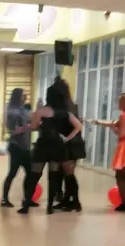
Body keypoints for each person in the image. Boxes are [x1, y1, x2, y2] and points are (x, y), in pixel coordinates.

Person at [18, 82, 83, 215]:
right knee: (53, 176)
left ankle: (26, 205)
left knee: (34, 175)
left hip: (42, 146)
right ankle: (49, 207)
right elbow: (78, 126)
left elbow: (34, 126)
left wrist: (40, 124)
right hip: (57, 146)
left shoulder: (42, 111)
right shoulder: (65, 113)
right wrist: (67, 138)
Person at [51, 77, 86, 211]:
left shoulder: (65, 107)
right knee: (67, 174)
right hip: (73, 143)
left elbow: (76, 126)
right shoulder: (71, 105)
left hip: (71, 144)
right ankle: (67, 200)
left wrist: (66, 138)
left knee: (69, 174)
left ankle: (75, 202)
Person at [0, 88, 36, 208]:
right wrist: (27, 127)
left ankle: (27, 199)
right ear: (18, 97)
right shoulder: (13, 111)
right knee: (12, 173)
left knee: (30, 173)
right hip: (16, 147)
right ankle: (4, 199)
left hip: (24, 146)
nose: (25, 96)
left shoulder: (23, 110)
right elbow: (13, 130)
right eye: (23, 95)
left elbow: (31, 121)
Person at [93, 93, 125, 211]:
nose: (118, 104)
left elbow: (121, 133)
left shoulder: (123, 115)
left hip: (123, 147)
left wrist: (113, 129)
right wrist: (99, 122)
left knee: (121, 176)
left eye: (120, 101)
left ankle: (124, 203)